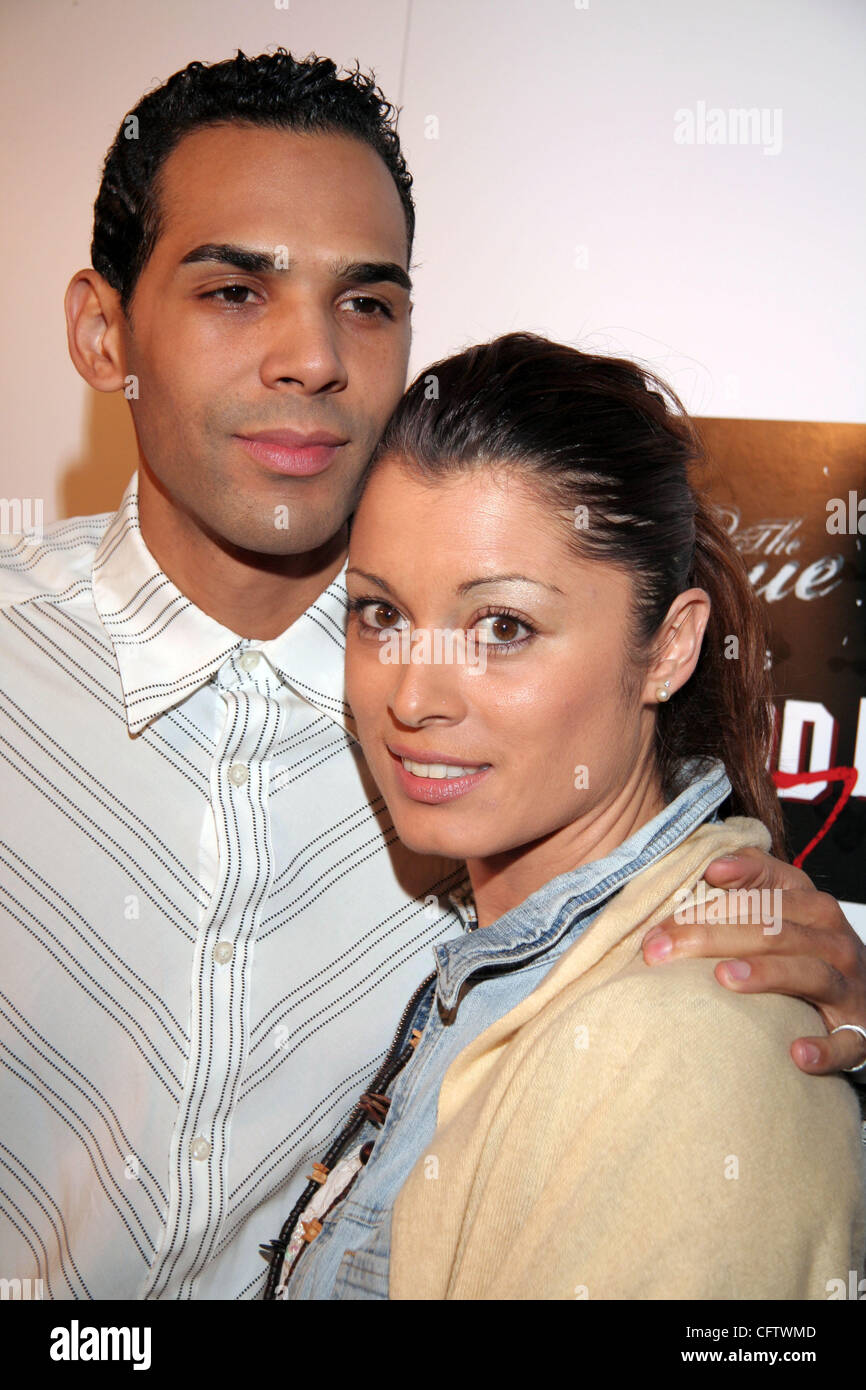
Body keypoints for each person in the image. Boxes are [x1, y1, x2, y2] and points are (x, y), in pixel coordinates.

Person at [0, 51, 863, 1302]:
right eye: (235, 290)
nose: (310, 356)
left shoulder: (497, 760)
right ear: (102, 329)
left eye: (365, 302)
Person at [271, 333, 866, 1301]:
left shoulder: (679, 1048)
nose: (413, 696)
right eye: (380, 614)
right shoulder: (507, 950)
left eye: (501, 627)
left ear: (669, 649)